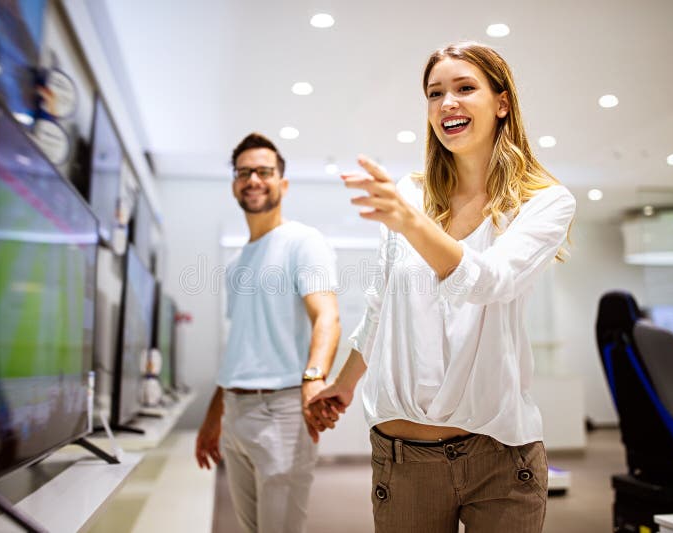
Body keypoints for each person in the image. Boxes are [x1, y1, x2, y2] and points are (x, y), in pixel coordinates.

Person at [308, 41, 576, 532]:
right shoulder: (410, 196)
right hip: (404, 459)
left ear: (502, 102)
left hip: (501, 460)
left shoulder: (546, 203)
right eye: (435, 94)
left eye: (464, 88)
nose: (446, 103)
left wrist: (412, 223)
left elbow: (491, 280)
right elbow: (380, 309)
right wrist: (343, 386)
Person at [194, 133, 341, 533]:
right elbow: (240, 346)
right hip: (236, 416)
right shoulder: (236, 264)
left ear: (283, 183)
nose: (253, 179)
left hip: (283, 413)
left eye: (263, 171)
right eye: (244, 172)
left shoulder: (303, 242)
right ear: (234, 185)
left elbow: (327, 316)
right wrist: (214, 416)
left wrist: (314, 379)